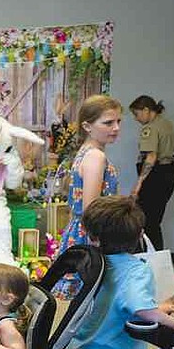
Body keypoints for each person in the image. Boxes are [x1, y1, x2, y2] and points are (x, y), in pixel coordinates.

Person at [65, 196, 174, 349]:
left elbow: (113, 301)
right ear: (140, 234)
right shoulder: (136, 270)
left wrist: (156, 308)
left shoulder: (91, 262)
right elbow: (141, 309)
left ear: (92, 237)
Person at [53, 95, 122, 300]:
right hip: (93, 232)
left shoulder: (87, 151)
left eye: (119, 122)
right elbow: (91, 207)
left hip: (84, 229)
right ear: (87, 126)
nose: (116, 128)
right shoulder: (95, 156)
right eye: (108, 123)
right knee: (94, 297)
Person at [128, 95, 174, 250]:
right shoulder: (167, 124)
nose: (136, 119)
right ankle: (156, 259)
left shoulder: (150, 128)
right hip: (169, 172)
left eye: (137, 114)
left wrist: (138, 184)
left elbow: (151, 157)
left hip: (155, 176)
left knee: (146, 222)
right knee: (154, 221)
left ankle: (150, 259)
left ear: (146, 110)